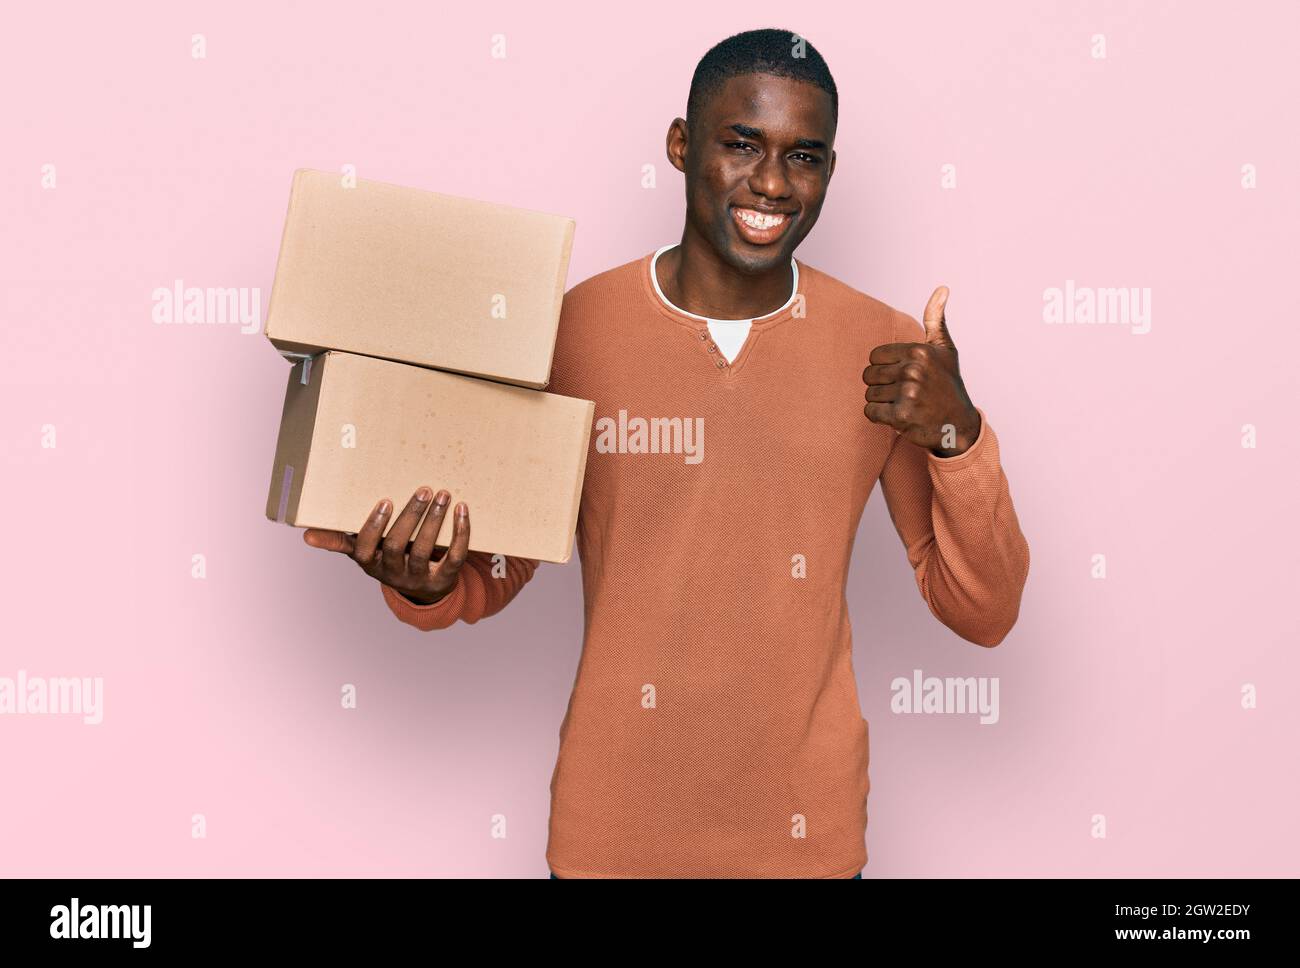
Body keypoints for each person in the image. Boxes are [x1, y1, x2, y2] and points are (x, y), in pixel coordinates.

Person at [303, 28, 1030, 879]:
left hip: (807, 843)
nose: (770, 183)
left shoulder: (887, 351)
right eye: (741, 144)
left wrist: (958, 433)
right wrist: (423, 585)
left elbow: (982, 611)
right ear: (681, 146)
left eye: (803, 156)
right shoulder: (574, 329)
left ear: (829, 172)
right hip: (610, 840)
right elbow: (500, 564)